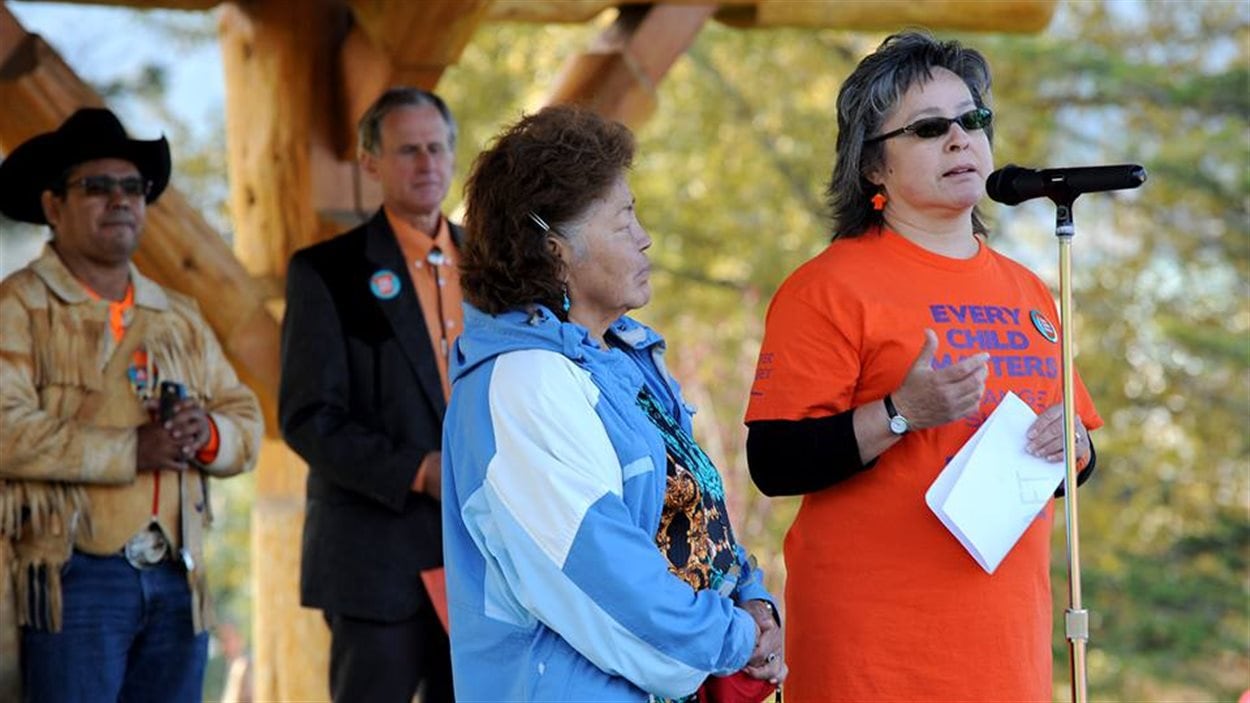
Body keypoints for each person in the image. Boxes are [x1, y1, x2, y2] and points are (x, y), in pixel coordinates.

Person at [744, 31, 1103, 702]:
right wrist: (901, 413)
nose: (962, 139)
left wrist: (1075, 449)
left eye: (973, 120)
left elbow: (1077, 462)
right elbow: (774, 460)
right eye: (931, 128)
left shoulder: (1028, 289)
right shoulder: (826, 287)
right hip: (873, 657)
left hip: (1005, 655)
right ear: (873, 167)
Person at [441, 105, 786, 702]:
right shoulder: (523, 383)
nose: (644, 236)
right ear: (557, 250)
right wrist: (737, 638)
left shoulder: (620, 359)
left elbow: (696, 521)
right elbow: (604, 583)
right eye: (624, 218)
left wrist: (755, 601)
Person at [0, 107, 263, 702]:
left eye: (132, 188)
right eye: (97, 187)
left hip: (178, 574)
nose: (119, 200)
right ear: (52, 207)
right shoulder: (18, 306)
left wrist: (208, 433)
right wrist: (130, 449)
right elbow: (4, 429)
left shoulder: (178, 315)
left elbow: (246, 418)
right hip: (70, 574)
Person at [279, 87, 459, 702]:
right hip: (374, 560)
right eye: (407, 150)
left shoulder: (493, 267)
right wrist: (418, 469)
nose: (426, 163)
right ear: (371, 163)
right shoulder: (326, 272)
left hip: (485, 562)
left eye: (436, 148)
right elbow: (307, 417)